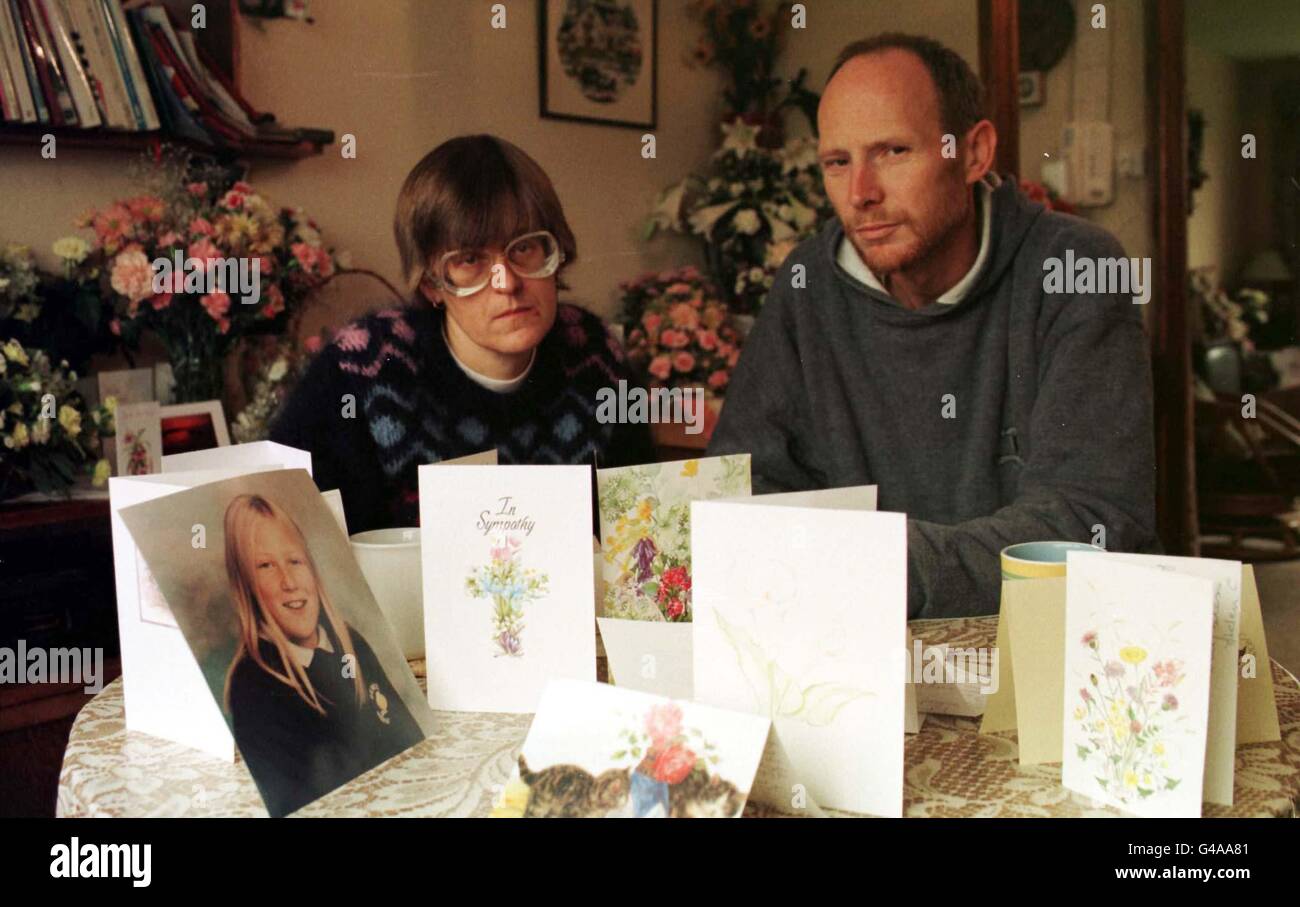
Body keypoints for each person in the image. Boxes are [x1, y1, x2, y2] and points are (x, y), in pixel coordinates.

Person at [708, 33, 1159, 618]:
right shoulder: (807, 282)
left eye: (893, 151)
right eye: (838, 163)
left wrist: (868, 568)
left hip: (1048, 645)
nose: (860, 194)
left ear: (973, 153)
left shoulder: (1076, 269)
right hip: (849, 651)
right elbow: (739, 490)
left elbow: (1090, 520)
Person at [270, 134, 655, 532]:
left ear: (554, 256)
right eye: (470, 260)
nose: (507, 283)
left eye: (524, 249)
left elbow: (642, 527)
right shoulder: (359, 369)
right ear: (432, 286)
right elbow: (289, 533)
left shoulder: (595, 355)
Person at [222, 493, 424, 816]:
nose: (289, 582)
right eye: (265, 566)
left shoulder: (349, 643)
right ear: (245, 583)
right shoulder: (253, 687)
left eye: (295, 561)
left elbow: (408, 737)